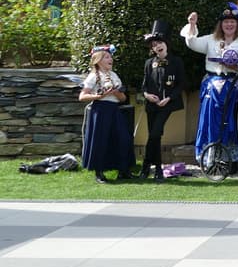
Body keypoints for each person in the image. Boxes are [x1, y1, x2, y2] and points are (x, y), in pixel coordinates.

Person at [183, 4, 238, 164]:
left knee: (234, 121)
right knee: (212, 120)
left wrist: (235, 66)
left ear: (237, 24)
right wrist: (193, 24)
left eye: (232, 22)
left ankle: (233, 158)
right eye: (226, 22)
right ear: (221, 24)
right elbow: (192, 43)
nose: (229, 25)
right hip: (213, 87)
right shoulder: (210, 39)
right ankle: (212, 156)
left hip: (235, 85)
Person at [79, 46, 135, 183]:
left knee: (123, 138)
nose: (111, 59)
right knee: (100, 140)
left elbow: (122, 99)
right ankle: (99, 172)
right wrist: (99, 96)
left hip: (114, 110)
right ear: (98, 60)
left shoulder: (114, 75)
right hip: (100, 110)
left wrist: (116, 92)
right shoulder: (93, 76)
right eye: (107, 57)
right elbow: (82, 96)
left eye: (111, 57)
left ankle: (123, 170)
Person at [140, 20, 187, 182]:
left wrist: (169, 98)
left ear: (166, 43)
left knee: (155, 133)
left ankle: (149, 166)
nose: (157, 46)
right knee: (155, 137)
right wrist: (147, 95)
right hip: (151, 105)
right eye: (154, 44)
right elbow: (144, 85)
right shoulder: (148, 64)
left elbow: (181, 84)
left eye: (160, 42)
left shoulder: (176, 62)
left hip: (166, 105)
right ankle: (154, 168)